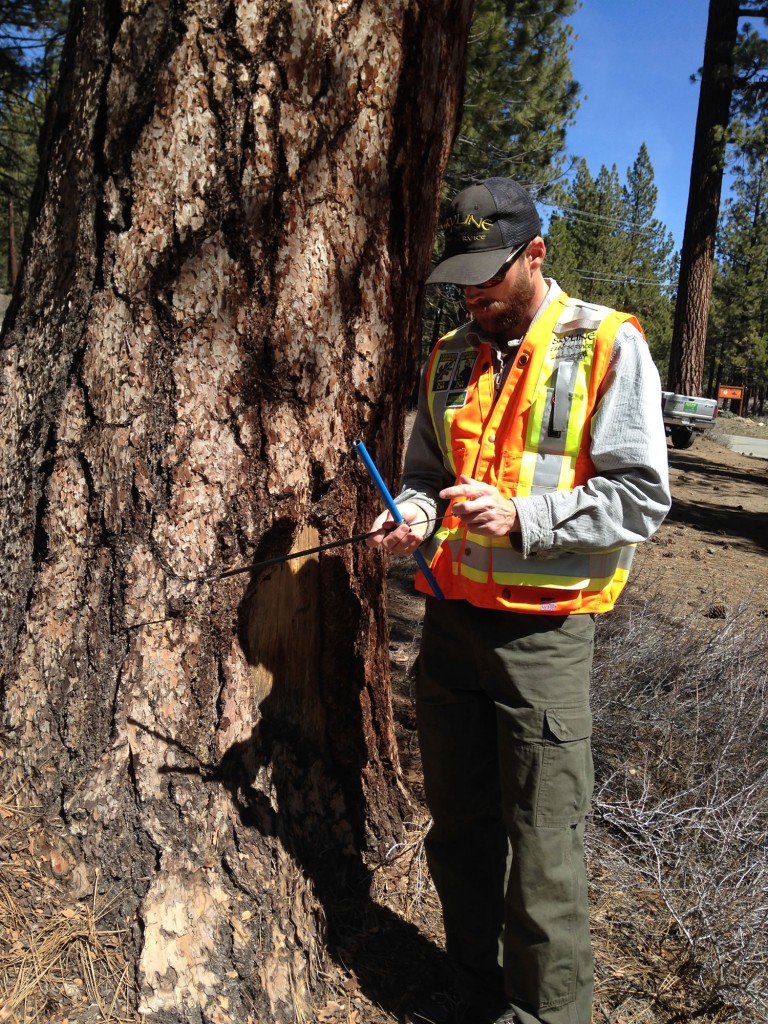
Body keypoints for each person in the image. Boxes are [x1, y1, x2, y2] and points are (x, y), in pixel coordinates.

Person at [367, 178, 671, 1024]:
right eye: (460, 280)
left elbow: (642, 498)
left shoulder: (608, 345)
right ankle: (476, 1000)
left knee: (543, 858)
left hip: (546, 639)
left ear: (534, 255)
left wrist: (524, 517)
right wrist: (416, 514)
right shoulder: (453, 354)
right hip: (450, 626)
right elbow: (427, 474)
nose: (473, 296)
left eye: (488, 279)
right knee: (460, 834)